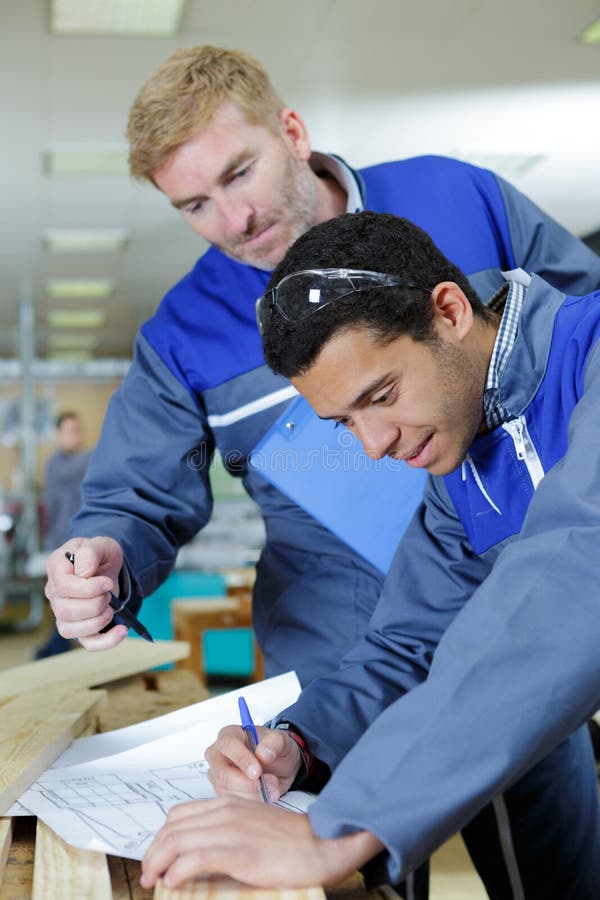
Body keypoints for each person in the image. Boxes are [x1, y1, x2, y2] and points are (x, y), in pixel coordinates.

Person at [43, 46, 600, 686]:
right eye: (195, 205)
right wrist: (106, 554)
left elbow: (581, 340)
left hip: (521, 594)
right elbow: (135, 495)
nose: (235, 219)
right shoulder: (181, 336)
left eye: (240, 173)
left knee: (543, 776)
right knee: (328, 777)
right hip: (334, 643)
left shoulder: (461, 199)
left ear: (293, 133)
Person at [141, 212, 600, 899]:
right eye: (346, 422)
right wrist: (299, 743)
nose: (375, 444)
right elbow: (410, 643)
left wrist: (345, 826)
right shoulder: (462, 466)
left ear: (448, 311)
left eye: (381, 396)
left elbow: (577, 572)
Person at [35, 412, 91, 658]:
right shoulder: (57, 464)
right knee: (63, 596)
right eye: (70, 431)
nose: (75, 437)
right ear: (58, 435)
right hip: (60, 541)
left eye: (78, 431)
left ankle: (59, 646)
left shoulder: (84, 462)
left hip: (80, 540)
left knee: (74, 596)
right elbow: (80, 467)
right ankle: (57, 646)